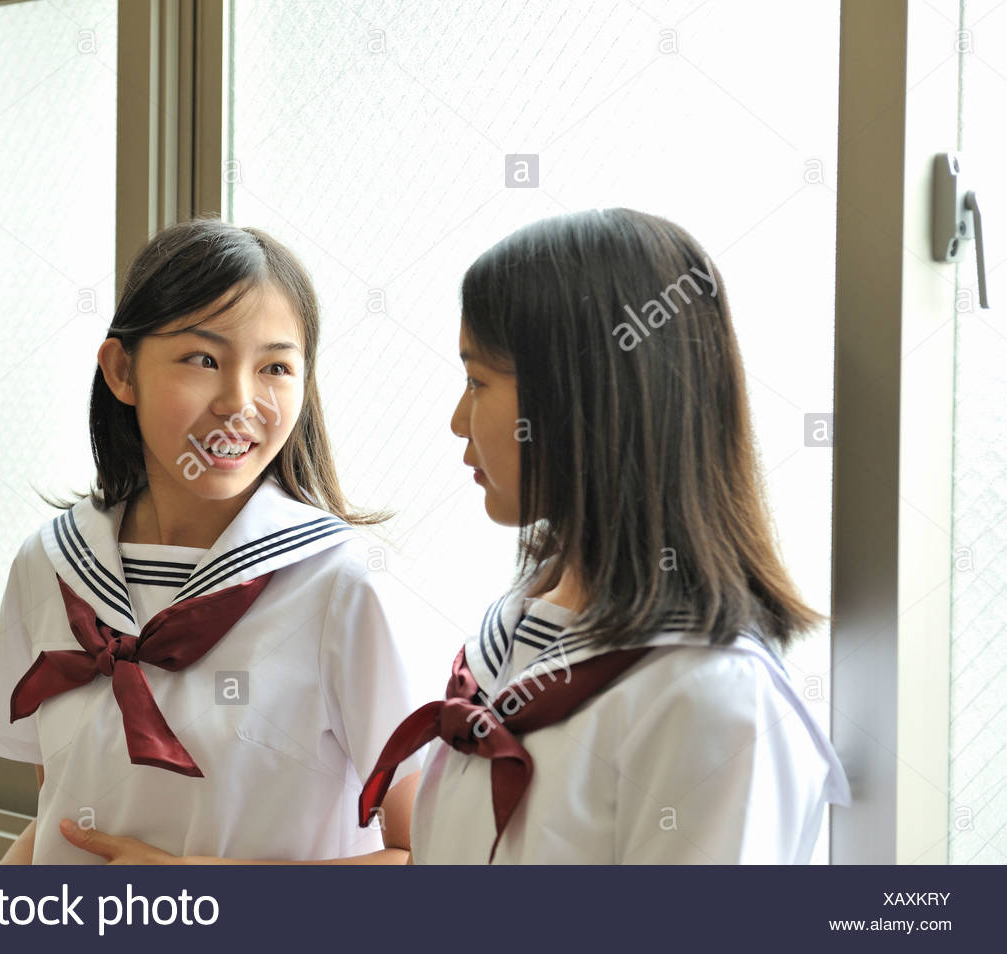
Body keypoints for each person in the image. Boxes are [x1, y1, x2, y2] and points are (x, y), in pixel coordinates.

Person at [0, 218, 433, 865]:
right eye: (204, 359)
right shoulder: (51, 565)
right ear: (122, 371)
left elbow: (425, 859)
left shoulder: (344, 587)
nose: (239, 400)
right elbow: (65, 820)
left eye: (276, 367)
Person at [360, 209, 850, 864]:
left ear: (576, 397)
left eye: (478, 381)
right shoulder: (513, 634)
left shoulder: (712, 701)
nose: (457, 421)